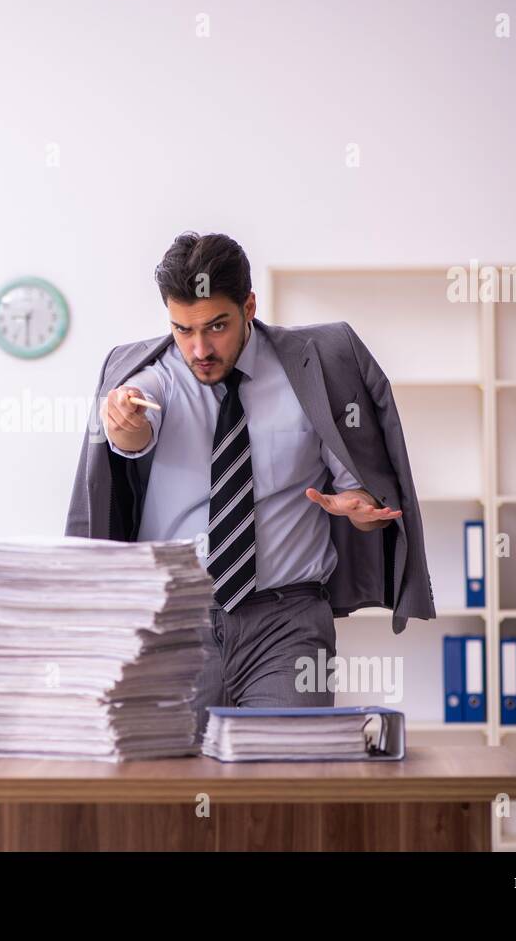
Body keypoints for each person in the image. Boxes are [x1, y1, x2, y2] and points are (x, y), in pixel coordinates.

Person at [64, 232, 435, 730]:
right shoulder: (154, 377)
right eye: (182, 329)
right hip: (173, 623)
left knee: (288, 789)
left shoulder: (311, 369)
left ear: (249, 306)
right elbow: (133, 426)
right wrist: (123, 424)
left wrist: (361, 510)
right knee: (166, 790)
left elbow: (356, 489)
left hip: (289, 624)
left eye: (216, 326)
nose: (199, 348)